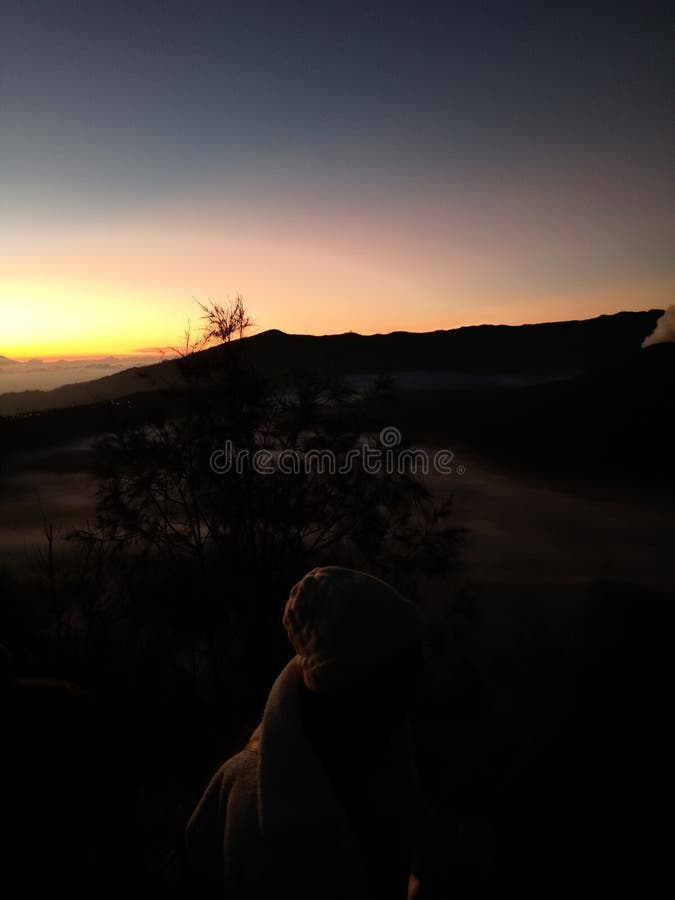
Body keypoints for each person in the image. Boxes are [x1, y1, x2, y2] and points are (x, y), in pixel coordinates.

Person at [184, 565, 425, 899]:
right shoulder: (250, 802)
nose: (416, 690)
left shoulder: (378, 755)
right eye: (398, 675)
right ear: (355, 686)